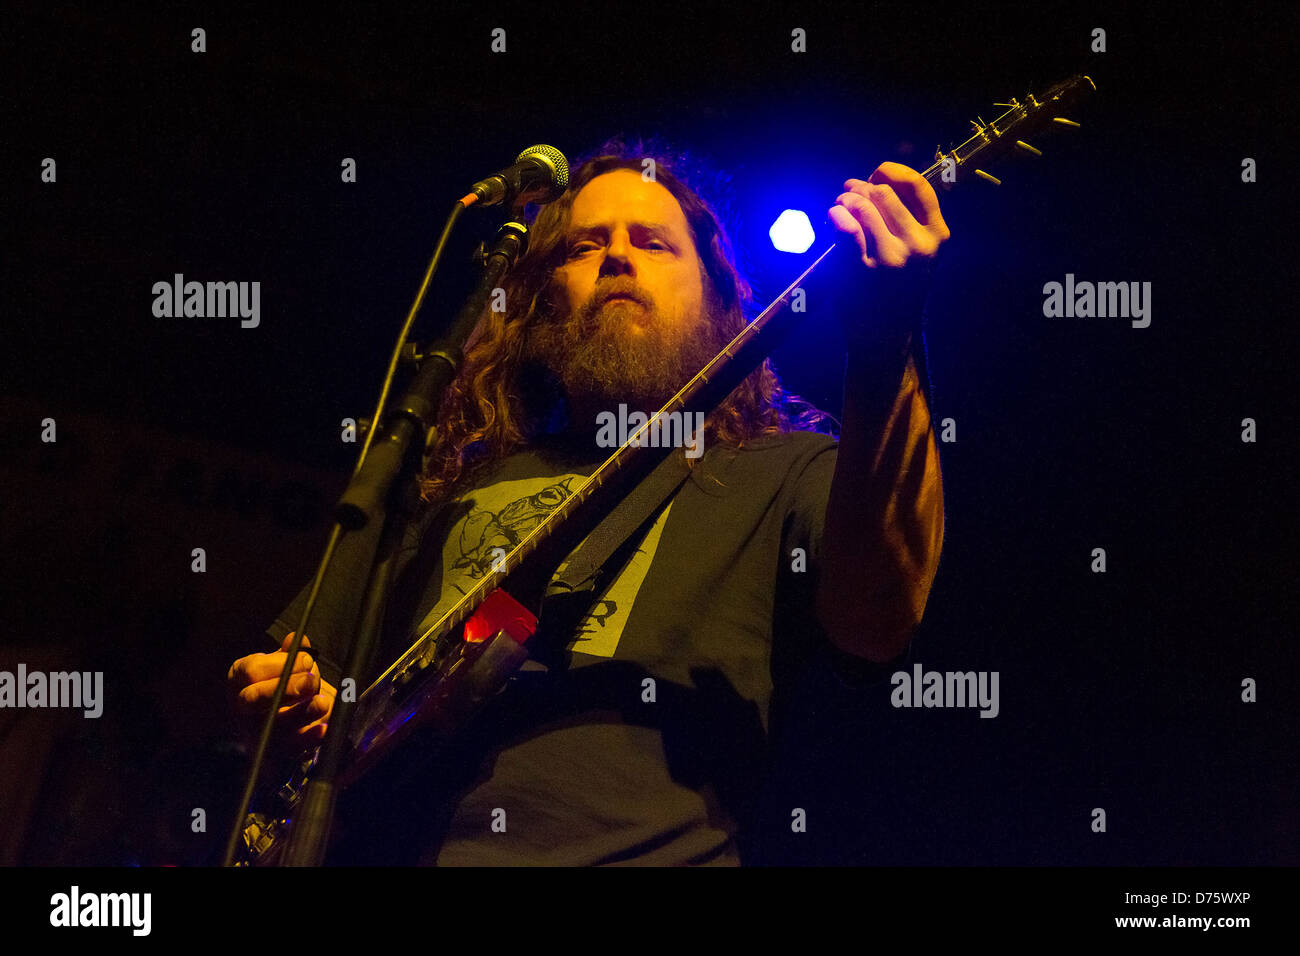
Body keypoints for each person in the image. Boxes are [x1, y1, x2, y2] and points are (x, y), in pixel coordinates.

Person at [227, 144, 949, 865]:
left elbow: (879, 618)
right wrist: (294, 699)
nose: (617, 259)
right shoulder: (452, 485)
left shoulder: (784, 470)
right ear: (544, 298)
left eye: (652, 241)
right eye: (585, 245)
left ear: (717, 295)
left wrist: (887, 339)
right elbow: (297, 679)